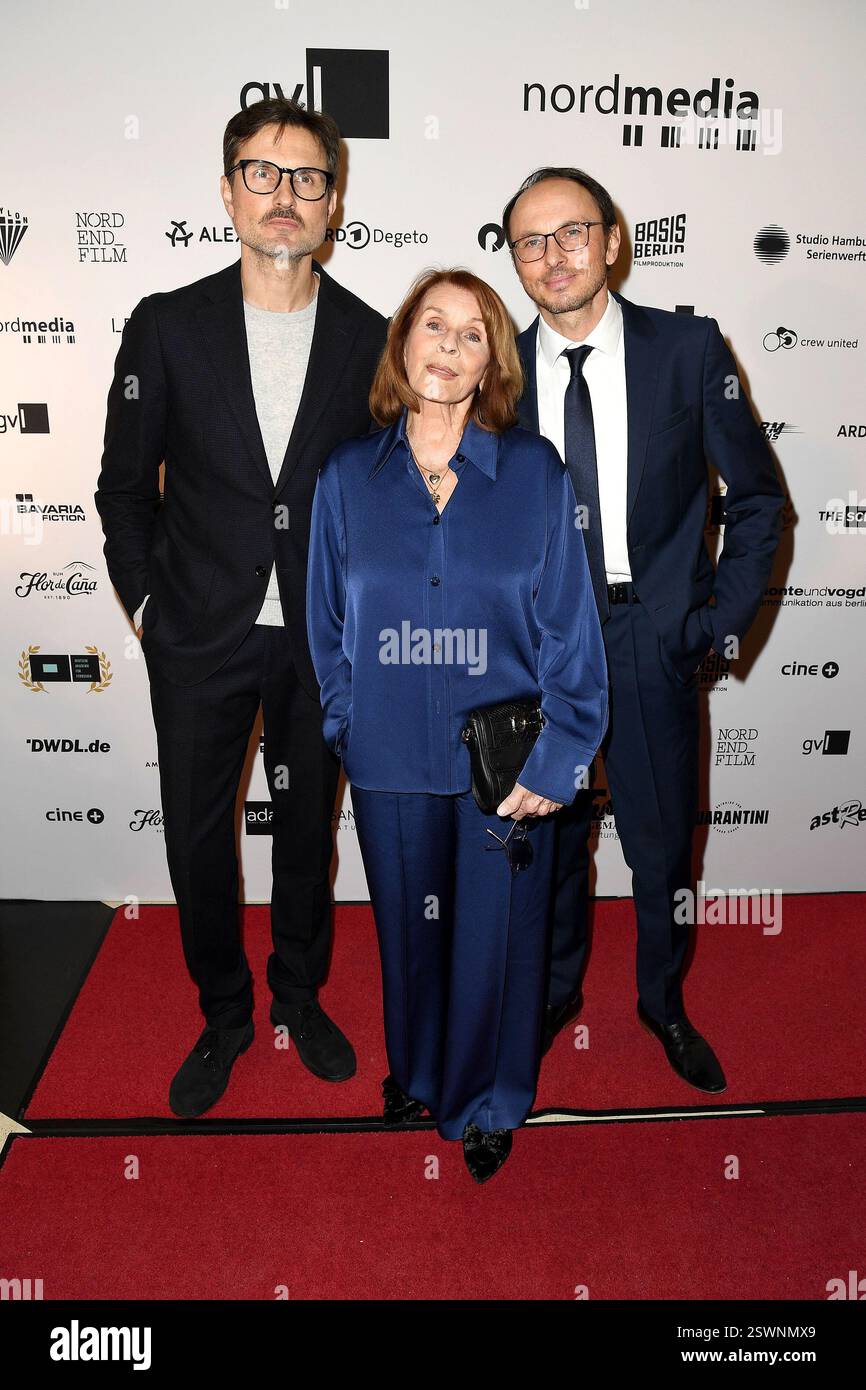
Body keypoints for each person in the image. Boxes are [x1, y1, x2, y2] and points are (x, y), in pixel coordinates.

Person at [94, 97, 387, 1118]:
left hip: (321, 637)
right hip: (197, 634)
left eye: (305, 178)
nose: (284, 195)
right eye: (261, 174)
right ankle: (224, 1011)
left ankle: (296, 995)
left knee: (308, 829)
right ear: (227, 194)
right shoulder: (166, 325)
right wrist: (143, 606)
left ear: (333, 202)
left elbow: (390, 496)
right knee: (192, 836)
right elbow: (123, 489)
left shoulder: (371, 338)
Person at [305, 267, 608, 1182]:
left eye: (472, 333)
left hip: (505, 767)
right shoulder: (350, 476)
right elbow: (325, 622)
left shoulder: (534, 476)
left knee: (497, 943)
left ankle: (487, 1101)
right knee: (408, 931)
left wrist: (559, 760)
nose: (449, 346)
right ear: (402, 345)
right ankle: (421, 1071)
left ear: (492, 362)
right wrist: (347, 723)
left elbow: (569, 628)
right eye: (433, 326)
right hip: (390, 758)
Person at [503, 167, 784, 1087]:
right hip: (537, 653)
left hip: (649, 640)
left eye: (571, 233)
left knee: (662, 848)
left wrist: (708, 626)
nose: (552, 256)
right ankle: (551, 994)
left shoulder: (688, 350)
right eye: (530, 242)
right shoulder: (494, 370)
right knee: (545, 845)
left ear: (613, 240)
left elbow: (758, 505)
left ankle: (662, 1003)